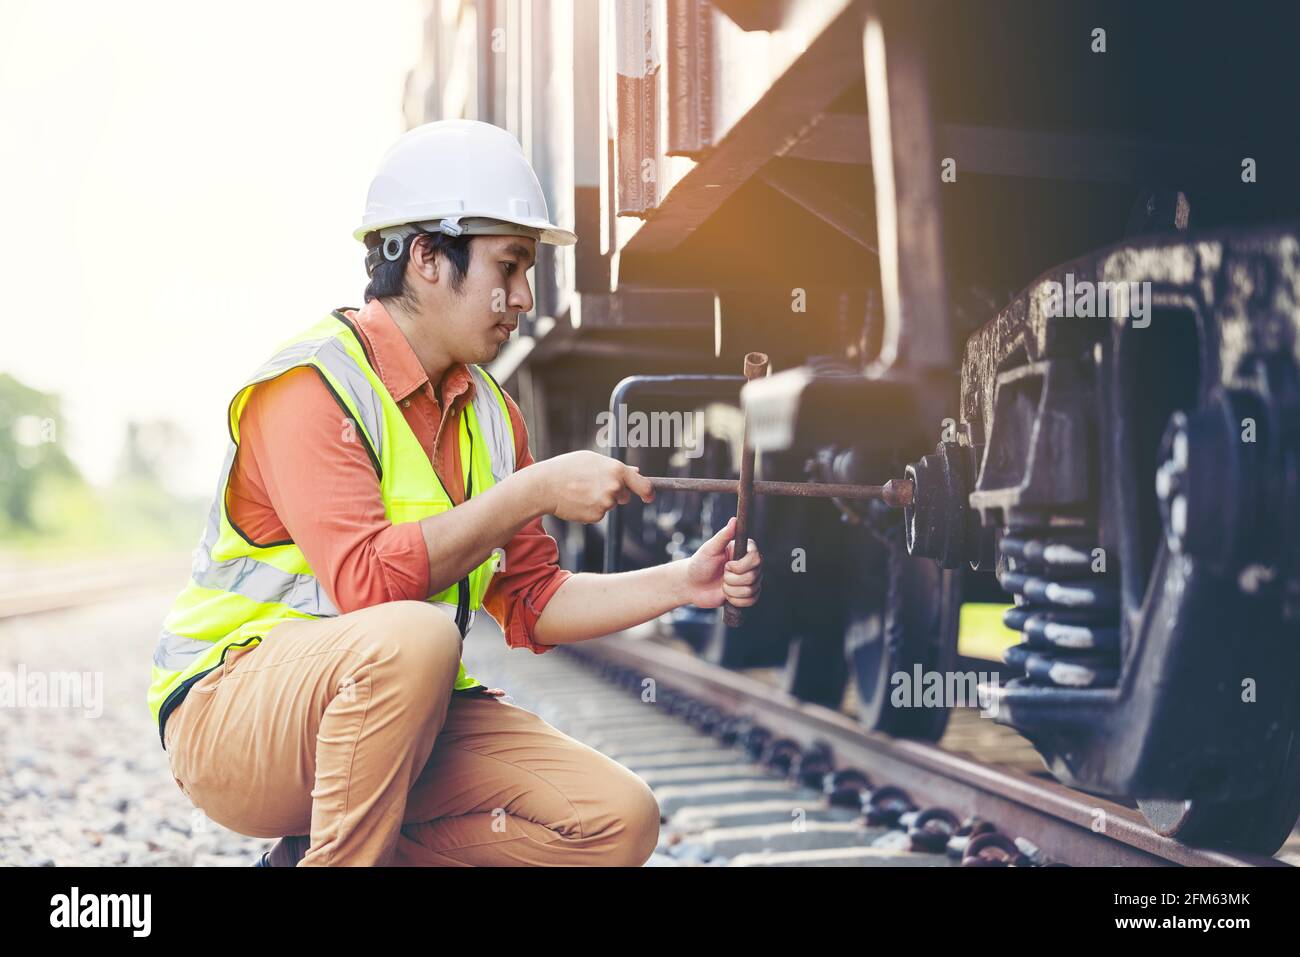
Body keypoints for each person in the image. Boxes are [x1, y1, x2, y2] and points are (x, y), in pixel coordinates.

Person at [148, 119, 762, 866]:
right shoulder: (314, 386)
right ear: (428, 257)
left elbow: (534, 600)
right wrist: (533, 489)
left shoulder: (492, 417)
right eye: (508, 266)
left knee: (616, 820)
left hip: (394, 723)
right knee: (417, 635)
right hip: (234, 718)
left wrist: (680, 582)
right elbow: (368, 583)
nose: (523, 297)